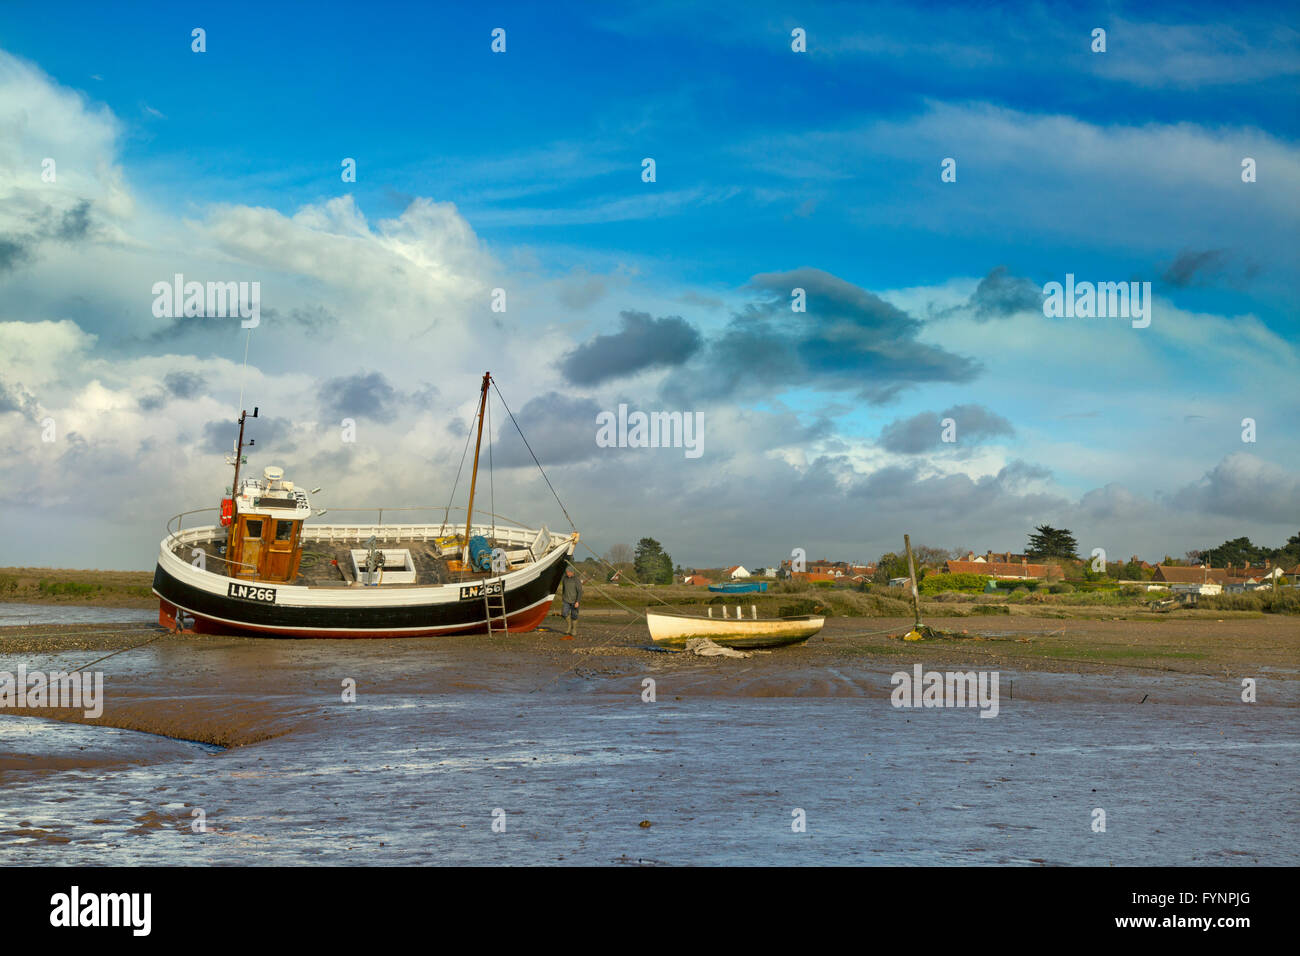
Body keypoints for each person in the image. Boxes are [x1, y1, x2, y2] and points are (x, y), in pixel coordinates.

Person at [561, 566, 583, 635]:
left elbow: (580, 591)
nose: (567, 573)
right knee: (564, 613)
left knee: (574, 616)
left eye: (568, 572)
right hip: (566, 600)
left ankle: (574, 630)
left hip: (574, 601)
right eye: (566, 572)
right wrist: (563, 597)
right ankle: (569, 626)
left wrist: (577, 601)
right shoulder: (564, 579)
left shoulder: (576, 580)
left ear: (572, 572)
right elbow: (563, 589)